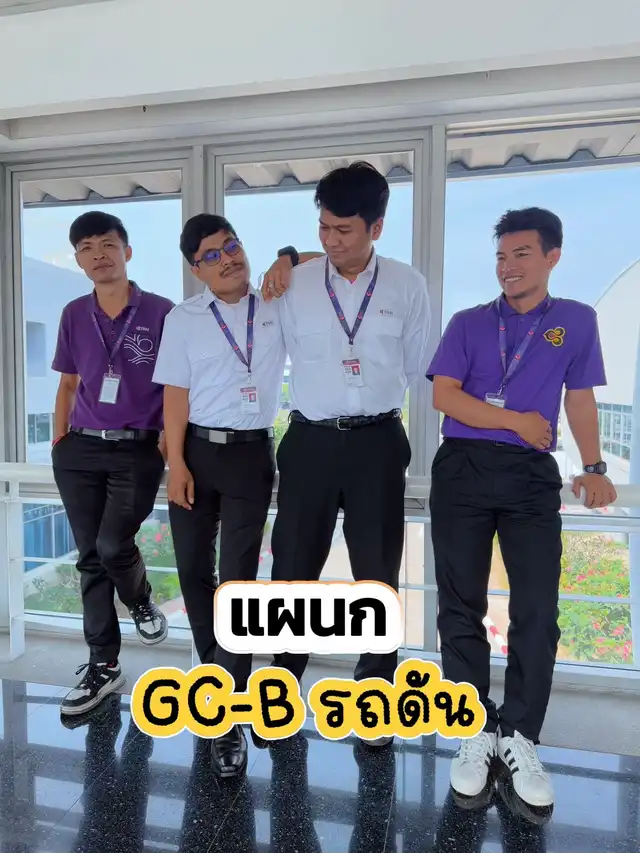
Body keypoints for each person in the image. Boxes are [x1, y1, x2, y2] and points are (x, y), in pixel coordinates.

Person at [427, 207, 617, 811]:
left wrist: (594, 467)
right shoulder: (468, 322)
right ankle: (473, 730)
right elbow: (444, 397)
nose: (508, 267)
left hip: (532, 476)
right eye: (502, 257)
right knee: (460, 604)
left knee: (537, 607)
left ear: (552, 256)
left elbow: (580, 398)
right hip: (462, 467)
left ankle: (519, 736)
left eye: (522, 254)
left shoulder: (576, 321)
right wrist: (516, 420)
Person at [263, 161, 431, 745]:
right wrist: (287, 255)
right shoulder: (295, 283)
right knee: (292, 569)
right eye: (323, 228)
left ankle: (374, 694)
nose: (331, 241)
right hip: (308, 441)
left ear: (376, 228)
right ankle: (282, 687)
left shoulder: (407, 285)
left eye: (344, 230)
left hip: (378, 443)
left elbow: (423, 372)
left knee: (376, 573)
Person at [152, 213, 318, 777]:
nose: (227, 259)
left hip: (251, 455)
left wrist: (287, 256)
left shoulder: (275, 300)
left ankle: (226, 711)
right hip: (197, 452)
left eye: (231, 246)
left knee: (238, 580)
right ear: (195, 269)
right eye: (211, 255)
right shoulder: (183, 319)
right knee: (194, 571)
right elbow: (174, 396)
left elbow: (331, 263)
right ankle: (217, 678)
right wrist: (176, 464)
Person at [51, 211, 172, 717]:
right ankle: (103, 664)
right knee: (89, 557)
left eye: (107, 244)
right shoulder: (74, 313)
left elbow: (175, 389)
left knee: (111, 544)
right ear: (79, 260)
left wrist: (166, 446)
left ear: (127, 251)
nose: (98, 254)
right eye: (86, 248)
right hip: (79, 449)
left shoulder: (162, 312)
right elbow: (68, 384)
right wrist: (59, 440)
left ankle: (140, 599)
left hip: (137, 449)